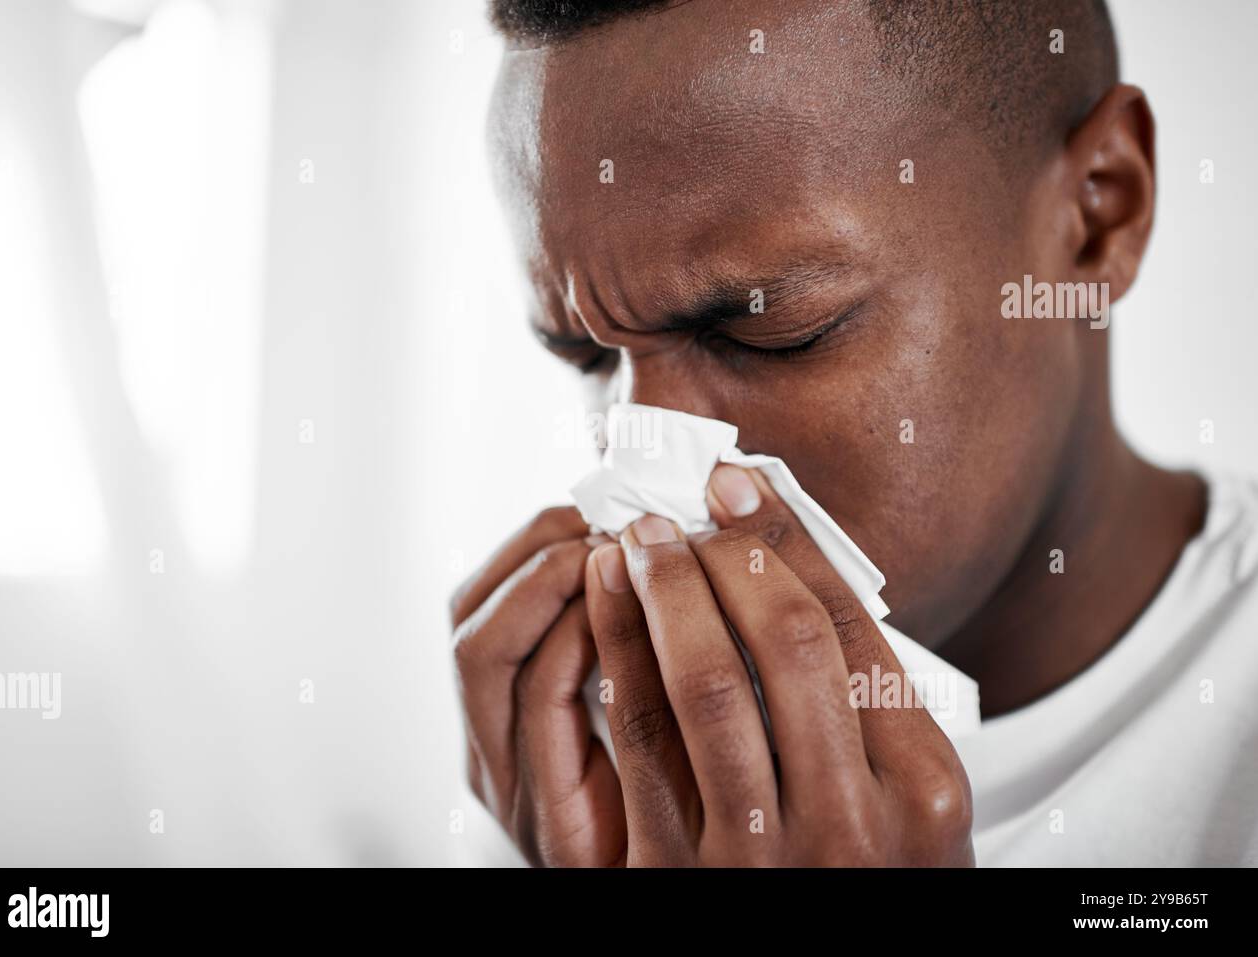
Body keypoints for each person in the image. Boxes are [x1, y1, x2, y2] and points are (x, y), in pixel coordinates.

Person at [450, 0, 1258, 866]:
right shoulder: (587, 767)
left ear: (1098, 214)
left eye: (775, 332)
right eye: (586, 358)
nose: (647, 470)